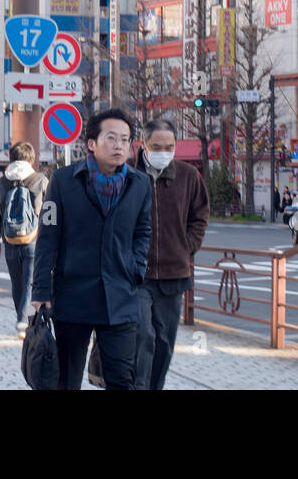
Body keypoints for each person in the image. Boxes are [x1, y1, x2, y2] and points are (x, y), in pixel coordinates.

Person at [31, 108, 152, 390]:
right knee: (67, 381)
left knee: (122, 380)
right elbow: (47, 238)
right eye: (111, 138)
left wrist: (136, 268)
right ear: (91, 144)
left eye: (125, 139)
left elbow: (143, 230)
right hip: (73, 296)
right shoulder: (63, 181)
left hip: (119, 296)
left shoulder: (140, 184)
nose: (119, 145)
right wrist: (40, 292)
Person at [131, 117, 208, 391]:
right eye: (156, 146)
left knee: (164, 341)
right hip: (136, 274)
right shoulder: (127, 172)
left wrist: (187, 246)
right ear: (143, 144)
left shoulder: (188, 175)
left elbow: (199, 217)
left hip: (174, 272)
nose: (163, 152)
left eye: (169, 146)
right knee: (143, 334)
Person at [0, 141, 48, 335]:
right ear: (31, 159)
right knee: (30, 282)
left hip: (10, 241)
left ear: (10, 158)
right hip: (33, 241)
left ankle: (22, 319)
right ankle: (24, 321)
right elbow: (50, 213)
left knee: (17, 284)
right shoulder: (40, 180)